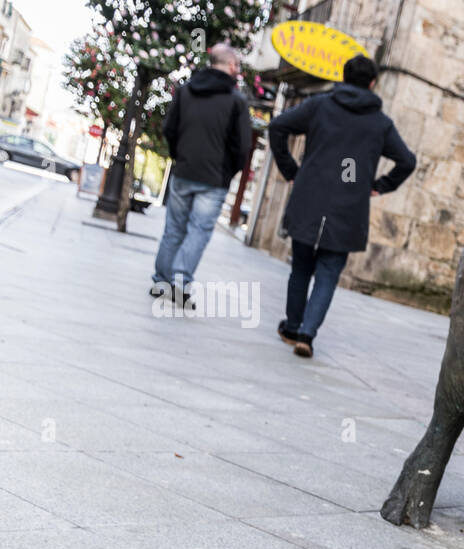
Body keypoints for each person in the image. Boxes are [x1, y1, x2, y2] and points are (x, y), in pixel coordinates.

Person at [268, 55, 416, 358]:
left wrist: (291, 170)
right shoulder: (381, 123)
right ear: (373, 83)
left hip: (309, 198)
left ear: (344, 77)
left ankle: (293, 326)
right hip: (349, 208)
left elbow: (278, 126)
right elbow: (407, 160)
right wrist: (379, 186)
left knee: (300, 268)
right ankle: (307, 336)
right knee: (328, 273)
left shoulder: (320, 105)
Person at [152, 43, 251, 304]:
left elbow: (169, 129)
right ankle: (180, 283)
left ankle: (161, 281)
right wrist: (229, 172)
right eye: (237, 66)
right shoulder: (236, 101)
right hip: (214, 179)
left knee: (174, 229)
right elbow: (242, 147)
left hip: (184, 171)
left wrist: (180, 157)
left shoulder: (186, 92)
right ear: (231, 66)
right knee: (198, 231)